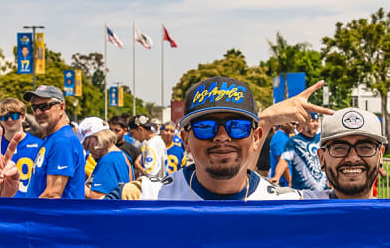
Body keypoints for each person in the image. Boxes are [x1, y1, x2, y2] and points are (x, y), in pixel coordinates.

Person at [110, 76, 316, 201]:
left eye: (237, 127)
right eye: (205, 127)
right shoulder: (146, 196)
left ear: (256, 137)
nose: (222, 137)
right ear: (185, 139)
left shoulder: (284, 205)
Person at [302, 107, 386, 200]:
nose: (353, 158)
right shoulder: (301, 204)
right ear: (321, 158)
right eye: (340, 148)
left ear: (380, 156)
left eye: (365, 148)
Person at [23, 85, 86, 199]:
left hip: (56, 216)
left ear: (61, 107)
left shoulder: (63, 141)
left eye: (44, 106)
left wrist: (26, 214)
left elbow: (53, 194)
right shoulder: (52, 138)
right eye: (34, 107)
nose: (37, 112)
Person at [0, 98, 43, 197]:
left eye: (14, 115)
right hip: (3, 206)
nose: (9, 120)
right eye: (4, 117)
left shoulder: (40, 145)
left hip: (31, 206)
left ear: (23, 117)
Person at [274, 111, 327, 192]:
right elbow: (284, 161)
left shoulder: (322, 140)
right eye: (312, 121)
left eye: (317, 121)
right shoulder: (294, 142)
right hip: (303, 194)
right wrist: (277, 177)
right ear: (303, 123)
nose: (316, 124)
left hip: (324, 192)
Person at [85, 129, 134, 199]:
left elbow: (98, 196)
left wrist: (76, 182)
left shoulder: (108, 160)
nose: (88, 151)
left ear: (95, 138)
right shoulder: (123, 155)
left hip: (110, 208)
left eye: (87, 145)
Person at [129, 114, 168, 178]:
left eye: (133, 133)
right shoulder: (158, 139)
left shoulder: (151, 145)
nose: (133, 137)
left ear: (141, 129)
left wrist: (137, 165)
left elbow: (150, 173)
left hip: (155, 185)